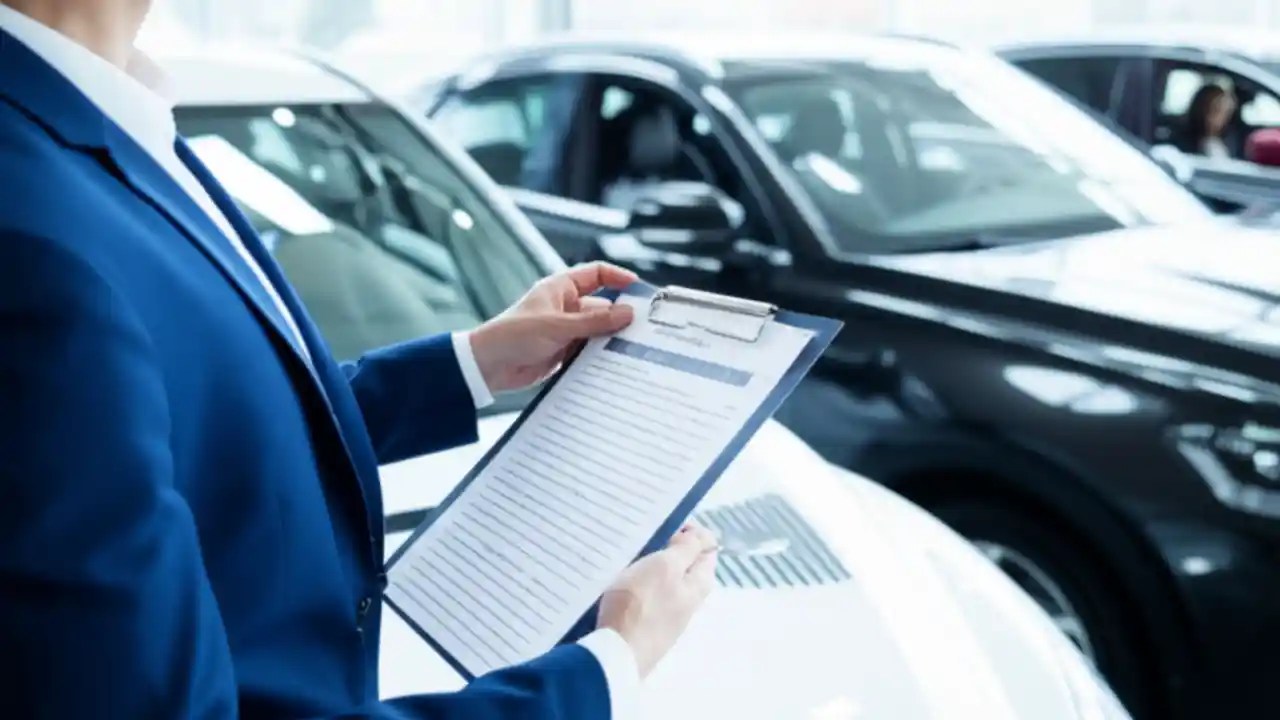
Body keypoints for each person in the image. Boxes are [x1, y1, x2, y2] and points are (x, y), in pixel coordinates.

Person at [0, 1, 718, 718]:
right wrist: (601, 672)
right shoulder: (30, 225)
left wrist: (468, 364)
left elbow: (214, 435)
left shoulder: (105, 112)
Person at [1181, 82, 1238, 159]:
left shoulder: (1231, 142)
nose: (1219, 118)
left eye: (1226, 113)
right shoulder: (1182, 142)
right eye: (1215, 110)